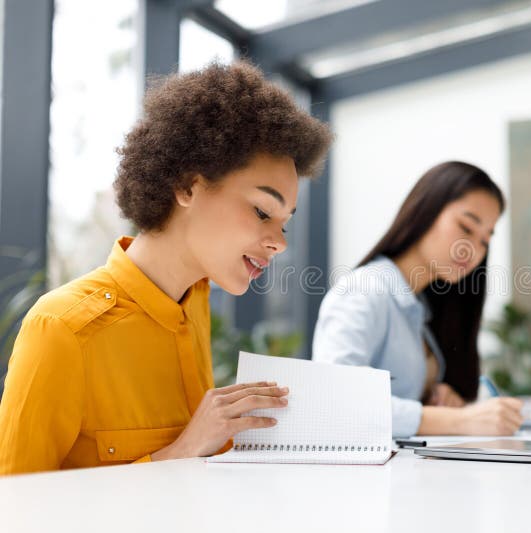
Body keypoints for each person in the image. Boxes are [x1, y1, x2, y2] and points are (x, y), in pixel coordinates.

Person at [0, 61, 332, 474]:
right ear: (187, 187)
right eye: (263, 211)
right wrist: (182, 450)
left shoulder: (194, 303)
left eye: (285, 222)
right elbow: (13, 507)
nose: (279, 243)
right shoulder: (62, 330)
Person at [312, 162, 524, 437]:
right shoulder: (365, 290)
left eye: (485, 240)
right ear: (427, 210)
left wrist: (432, 399)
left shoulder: (420, 309)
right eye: (466, 227)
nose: (474, 250)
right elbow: (333, 402)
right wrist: (455, 421)